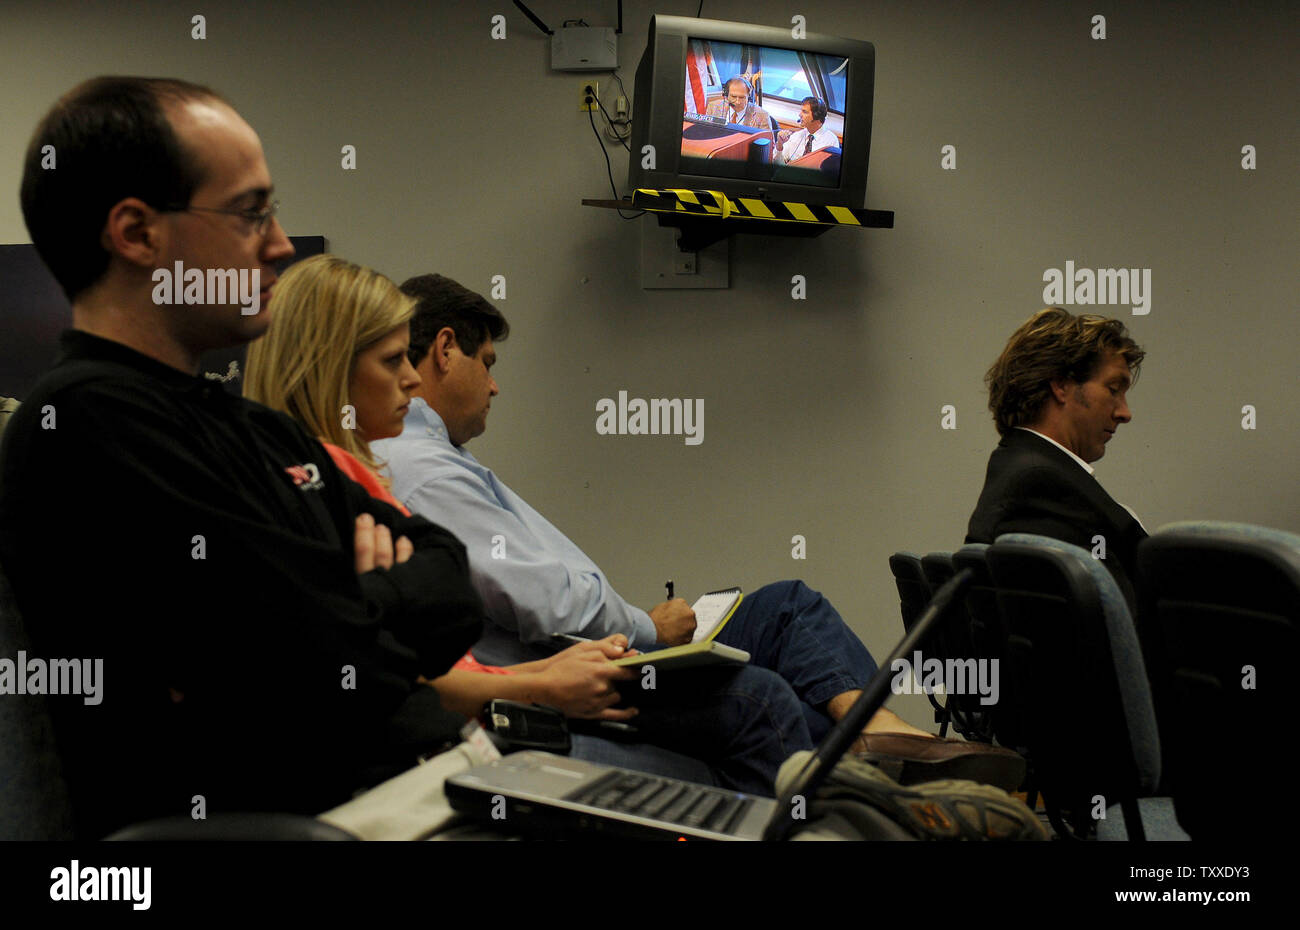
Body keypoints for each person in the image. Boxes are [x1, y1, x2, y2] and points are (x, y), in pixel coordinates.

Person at [0, 77, 482, 838]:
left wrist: (344, 601)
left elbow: (453, 581)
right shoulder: (81, 423)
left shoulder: (263, 429)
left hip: (455, 783)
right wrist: (365, 595)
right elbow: (301, 659)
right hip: (335, 824)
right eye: (250, 213)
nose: (281, 244)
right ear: (136, 233)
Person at [371, 273, 1026, 789]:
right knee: (767, 694)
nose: (493, 385)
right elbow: (547, 602)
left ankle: (880, 741)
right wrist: (650, 628)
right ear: (447, 349)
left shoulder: (440, 462)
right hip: (584, 664)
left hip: (607, 642)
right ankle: (882, 777)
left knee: (786, 609)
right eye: (486, 362)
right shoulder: (423, 470)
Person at [241, 252, 818, 795]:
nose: (413, 382)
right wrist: (539, 685)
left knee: (778, 664)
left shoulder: (358, 479)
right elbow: (383, 684)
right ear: (330, 369)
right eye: (393, 361)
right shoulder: (323, 495)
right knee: (755, 710)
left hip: (494, 711)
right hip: (469, 741)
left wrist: (541, 676)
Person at [966, 307, 1148, 611]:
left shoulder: (1019, 467)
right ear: (1061, 385)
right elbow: (1122, 632)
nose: (1124, 413)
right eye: (1113, 389)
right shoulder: (1040, 484)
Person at [774, 97, 837, 164]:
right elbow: (777, 164)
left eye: (804, 112)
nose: (800, 115)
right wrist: (779, 145)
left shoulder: (831, 141)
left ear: (817, 116)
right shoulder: (797, 136)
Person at [703, 76, 774, 131]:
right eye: (733, 96)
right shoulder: (713, 107)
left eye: (742, 97)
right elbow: (705, 132)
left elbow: (768, 145)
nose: (738, 102)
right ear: (726, 94)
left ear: (748, 96)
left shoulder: (762, 115)